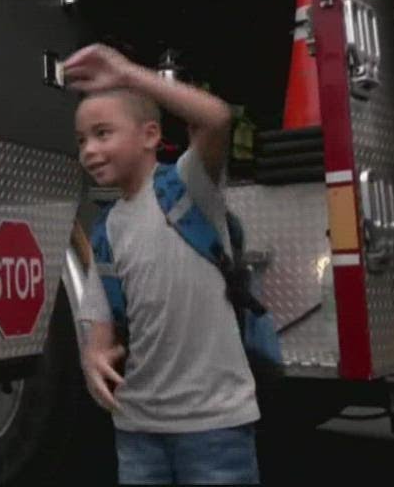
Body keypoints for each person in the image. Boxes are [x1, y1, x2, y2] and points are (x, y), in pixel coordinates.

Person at [67, 43, 261, 485]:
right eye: (82, 141)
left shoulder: (189, 188)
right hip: (137, 428)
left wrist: (126, 73)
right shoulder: (106, 230)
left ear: (150, 136)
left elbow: (216, 117)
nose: (89, 151)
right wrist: (93, 356)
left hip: (214, 425)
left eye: (102, 133)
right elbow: (100, 327)